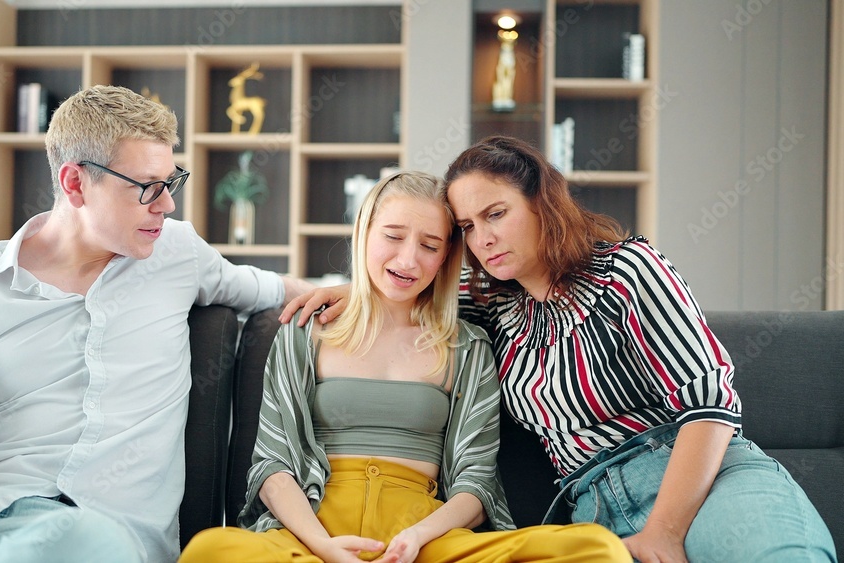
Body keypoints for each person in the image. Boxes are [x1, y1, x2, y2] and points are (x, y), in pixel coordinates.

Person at [281, 136, 837, 563]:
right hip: (590, 505)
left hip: (694, 475)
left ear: (542, 203)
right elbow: (416, 283)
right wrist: (352, 289)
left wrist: (664, 532)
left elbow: (711, 402)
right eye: (468, 227)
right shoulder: (499, 307)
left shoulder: (625, 269)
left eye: (496, 214)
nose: (483, 239)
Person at [0, 85, 313, 563]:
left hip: (96, 534)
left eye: (172, 182)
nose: (168, 205)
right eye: (148, 186)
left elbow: (276, 289)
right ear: (75, 184)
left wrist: (365, 296)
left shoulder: (180, 254)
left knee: (77, 542)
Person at [182, 171, 631, 563]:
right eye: (393, 236)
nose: (408, 260)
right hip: (313, 532)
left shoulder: (468, 346)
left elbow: (476, 482)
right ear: (365, 233)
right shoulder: (304, 333)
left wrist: (415, 539)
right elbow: (272, 466)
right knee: (211, 551)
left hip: (426, 536)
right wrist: (324, 547)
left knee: (597, 549)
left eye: (429, 245)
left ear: (445, 258)